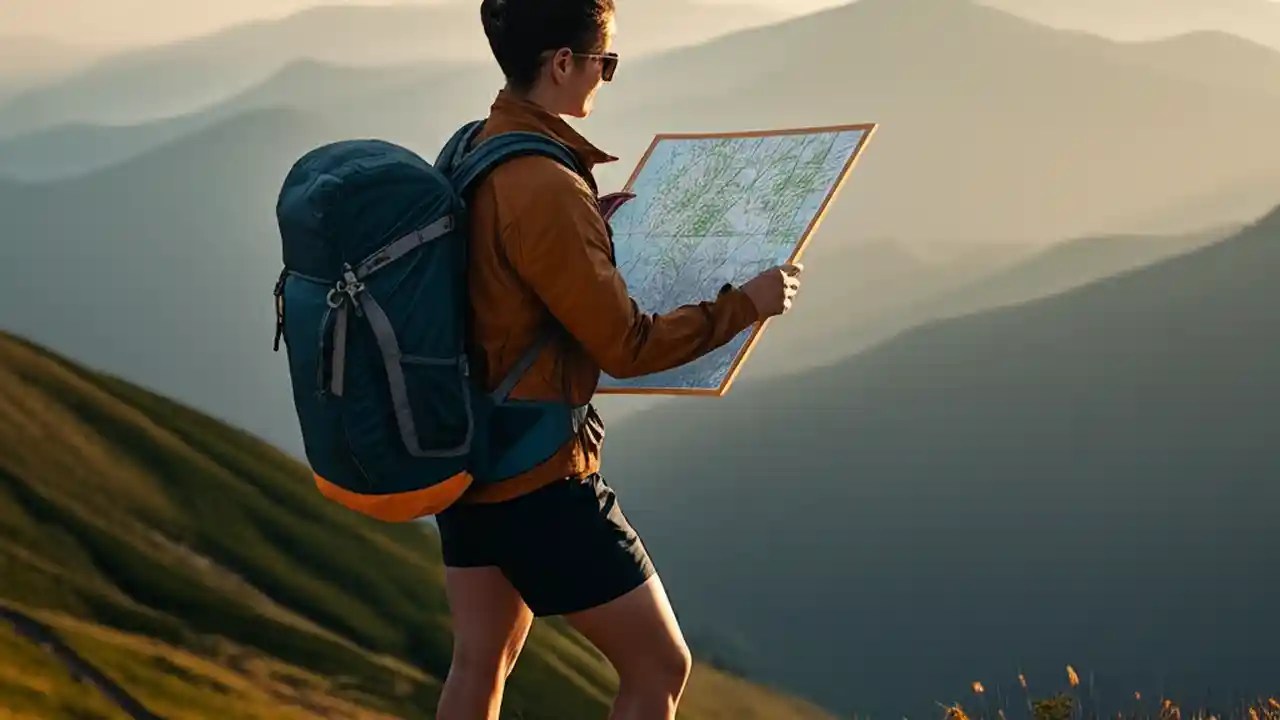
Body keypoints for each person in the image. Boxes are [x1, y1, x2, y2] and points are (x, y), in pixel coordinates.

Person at [434, 1, 804, 718]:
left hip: (468, 456)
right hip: (539, 477)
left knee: (482, 660)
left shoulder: (478, 146)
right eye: (605, 60)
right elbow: (626, 347)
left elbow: (500, 273)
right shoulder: (544, 184)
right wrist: (746, 304)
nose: (607, 75)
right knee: (660, 667)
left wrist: (585, 235)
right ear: (563, 63)